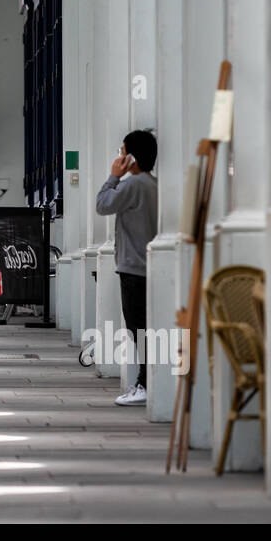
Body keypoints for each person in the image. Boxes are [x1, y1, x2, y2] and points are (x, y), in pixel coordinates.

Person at [94, 130, 159, 406]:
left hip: (133, 267)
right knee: (144, 328)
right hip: (146, 265)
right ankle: (147, 382)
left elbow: (102, 204)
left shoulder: (133, 184)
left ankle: (144, 384)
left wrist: (113, 176)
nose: (119, 156)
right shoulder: (153, 184)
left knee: (138, 328)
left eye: (122, 151)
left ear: (131, 157)